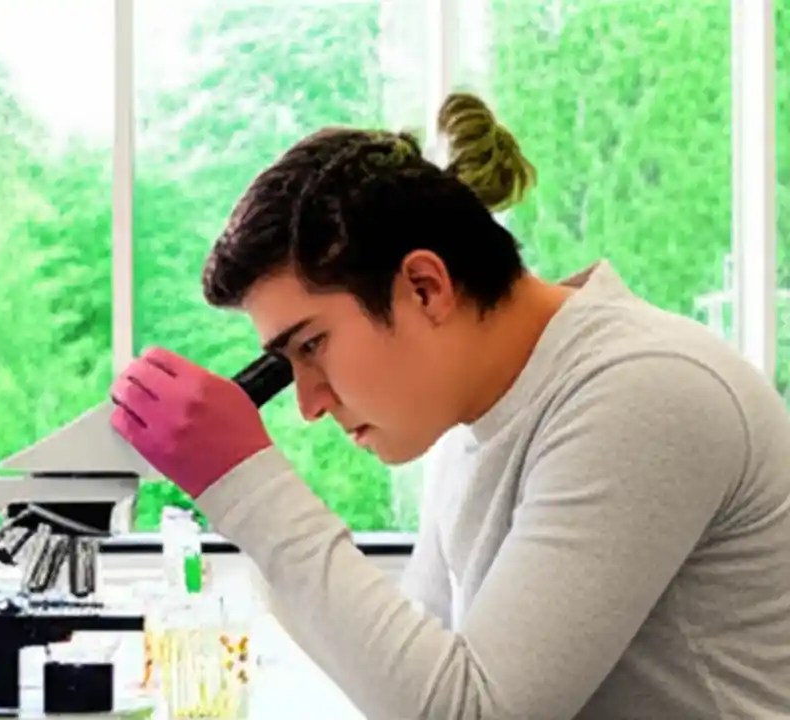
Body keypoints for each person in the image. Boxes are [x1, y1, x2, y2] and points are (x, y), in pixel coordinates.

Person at [109, 92, 790, 719]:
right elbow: (414, 685)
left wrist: (244, 483)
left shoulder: (646, 392)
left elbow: (471, 712)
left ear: (425, 287)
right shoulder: (479, 419)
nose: (309, 404)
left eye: (312, 345)